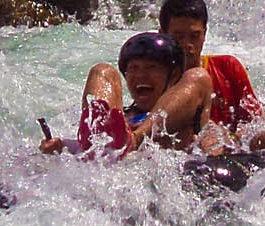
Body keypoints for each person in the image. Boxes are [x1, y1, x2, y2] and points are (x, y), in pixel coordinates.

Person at [40, 31, 211, 157]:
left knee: (198, 76)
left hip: (162, 176)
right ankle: (95, 137)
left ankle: (134, 141)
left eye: (152, 68)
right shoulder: (122, 117)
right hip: (112, 169)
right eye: (133, 69)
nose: (140, 76)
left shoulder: (187, 114)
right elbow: (108, 155)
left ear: (173, 75)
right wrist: (62, 146)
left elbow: (211, 138)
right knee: (102, 70)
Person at [157, 0, 265, 153]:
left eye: (195, 36)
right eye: (178, 37)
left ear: (205, 33)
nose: (187, 44)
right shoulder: (155, 78)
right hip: (188, 158)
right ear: (162, 35)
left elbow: (256, 123)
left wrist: (232, 138)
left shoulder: (227, 67)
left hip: (234, 153)